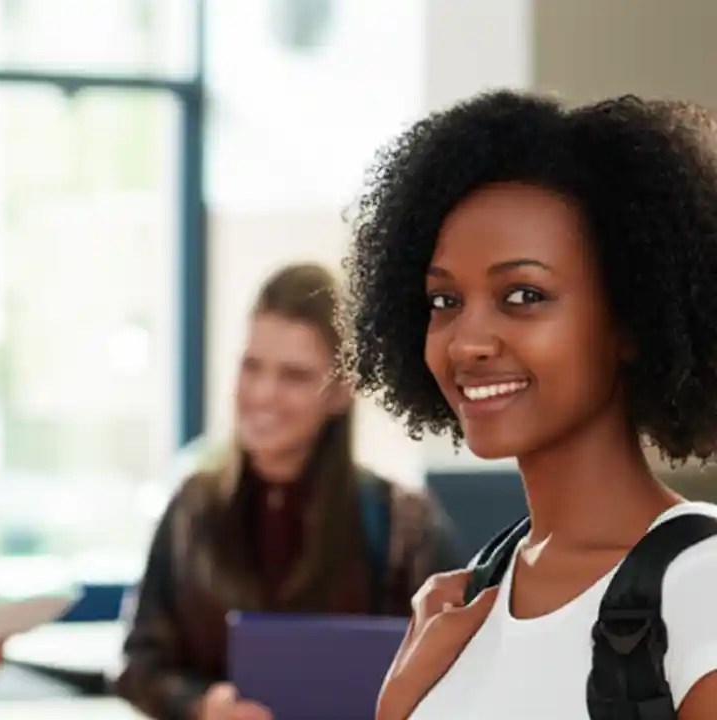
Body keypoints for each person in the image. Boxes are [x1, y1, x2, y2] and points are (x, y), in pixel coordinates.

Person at [345, 90, 717, 719]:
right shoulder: (465, 598)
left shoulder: (700, 588)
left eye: (523, 295)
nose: (468, 342)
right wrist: (399, 703)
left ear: (631, 318)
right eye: (444, 301)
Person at [116, 263, 460, 720]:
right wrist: (203, 705)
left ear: (340, 392)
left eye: (294, 376)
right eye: (251, 367)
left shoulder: (403, 527)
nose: (263, 393)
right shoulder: (191, 510)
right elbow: (138, 665)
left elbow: (456, 674)